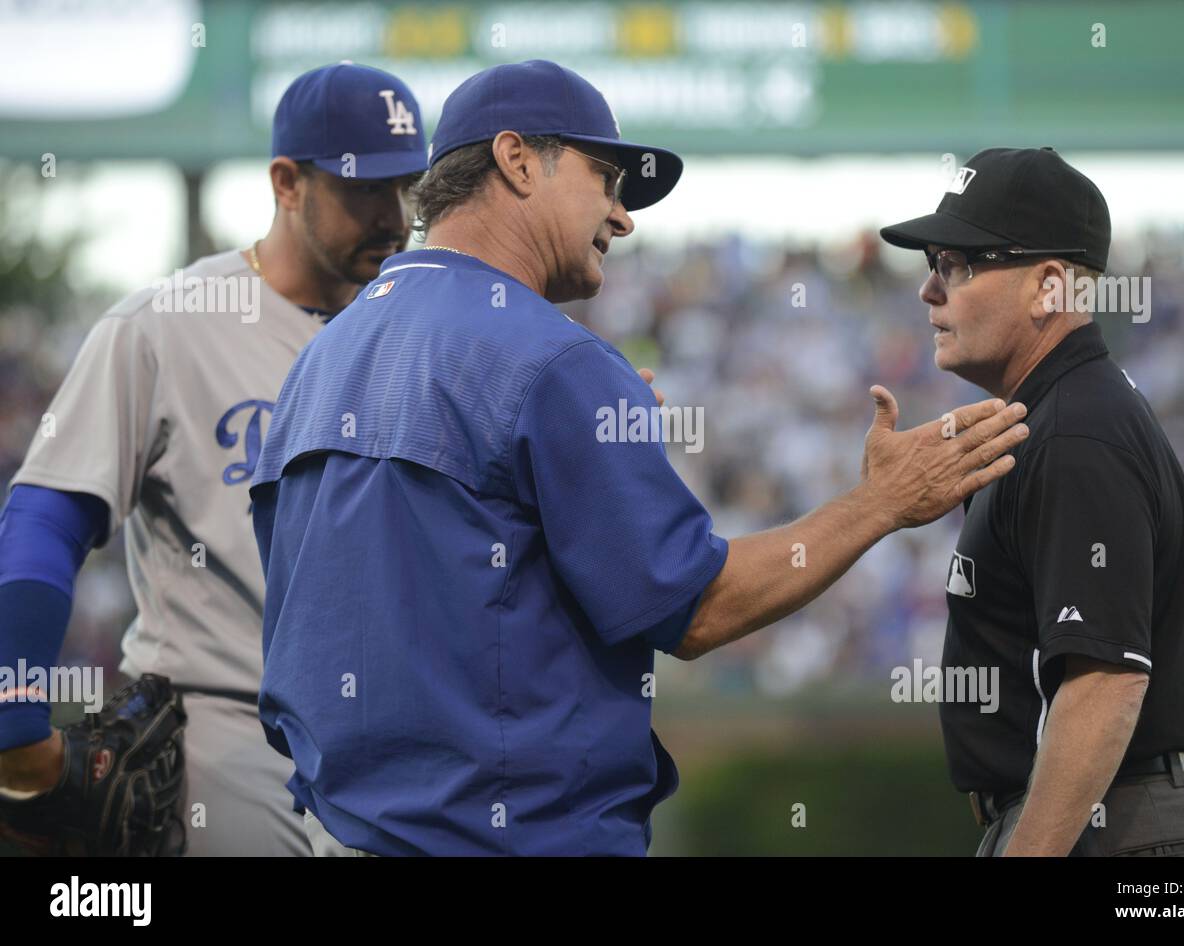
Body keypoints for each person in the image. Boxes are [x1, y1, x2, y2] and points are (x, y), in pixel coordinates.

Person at [250, 59, 1029, 857]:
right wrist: (880, 504)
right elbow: (697, 609)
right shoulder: (553, 361)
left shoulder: (318, 361)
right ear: (517, 161)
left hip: (333, 834)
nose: (623, 218)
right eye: (606, 179)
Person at [0, 62, 428, 855]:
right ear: (287, 183)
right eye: (364, 189)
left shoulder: (425, 335)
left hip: (399, 753)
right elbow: (47, 514)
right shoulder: (169, 325)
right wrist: (14, 718)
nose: (394, 217)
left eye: (407, 188)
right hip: (227, 735)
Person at [880, 146, 1184, 856]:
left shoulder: (1076, 429)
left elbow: (1105, 683)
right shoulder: (1051, 416)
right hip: (1104, 819)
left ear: (1048, 288)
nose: (930, 290)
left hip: (1125, 826)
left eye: (957, 263)